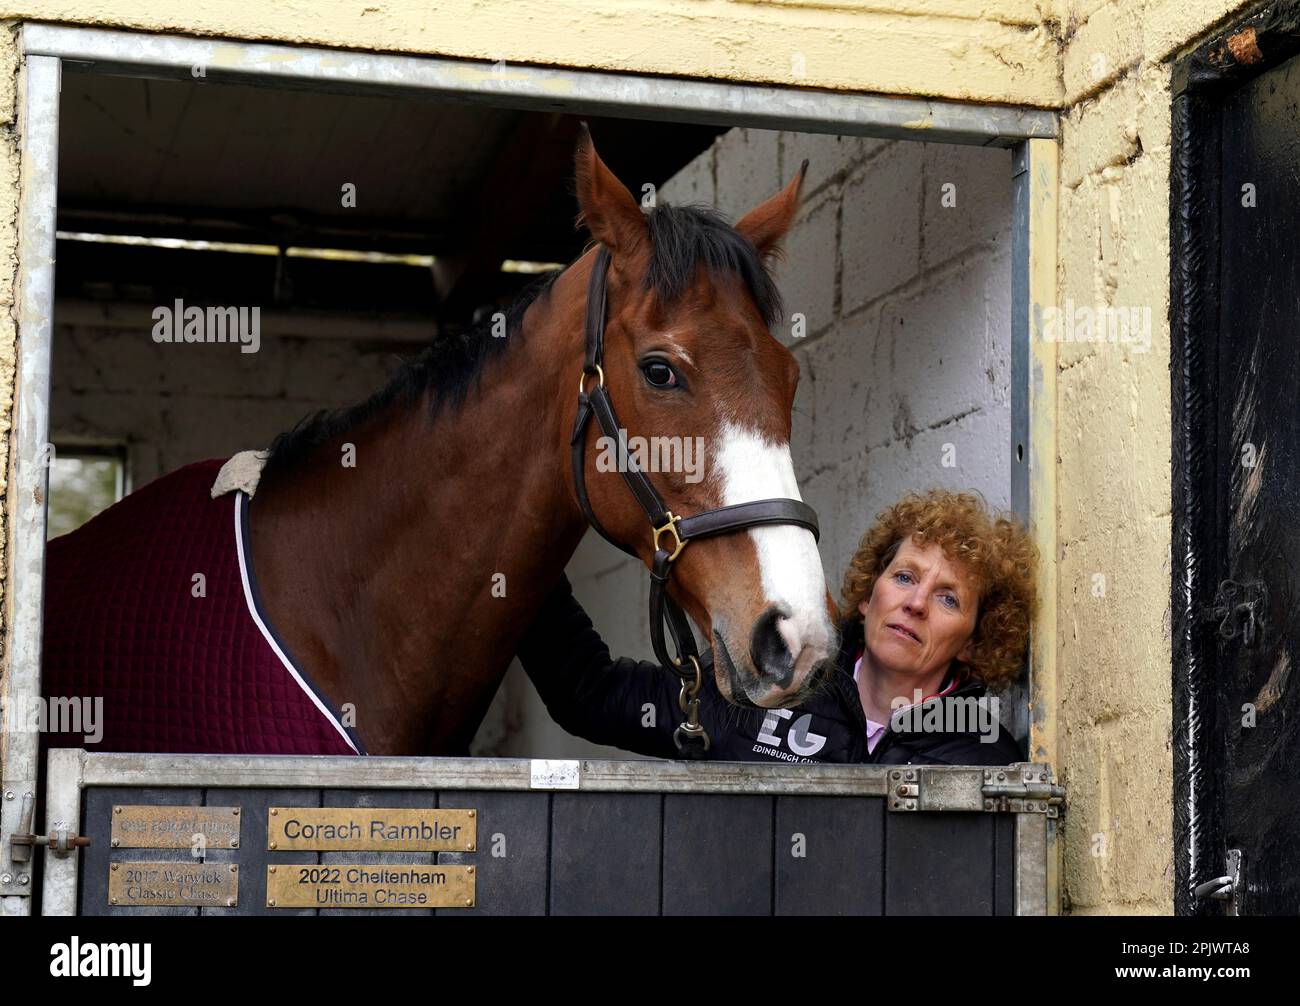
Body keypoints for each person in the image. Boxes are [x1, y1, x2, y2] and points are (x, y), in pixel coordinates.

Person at [516, 490, 1038, 765]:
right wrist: (514, 555)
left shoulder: (980, 756)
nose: (916, 603)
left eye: (948, 598)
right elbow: (588, 693)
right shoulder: (773, 680)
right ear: (866, 596)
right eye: (904, 576)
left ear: (975, 640)